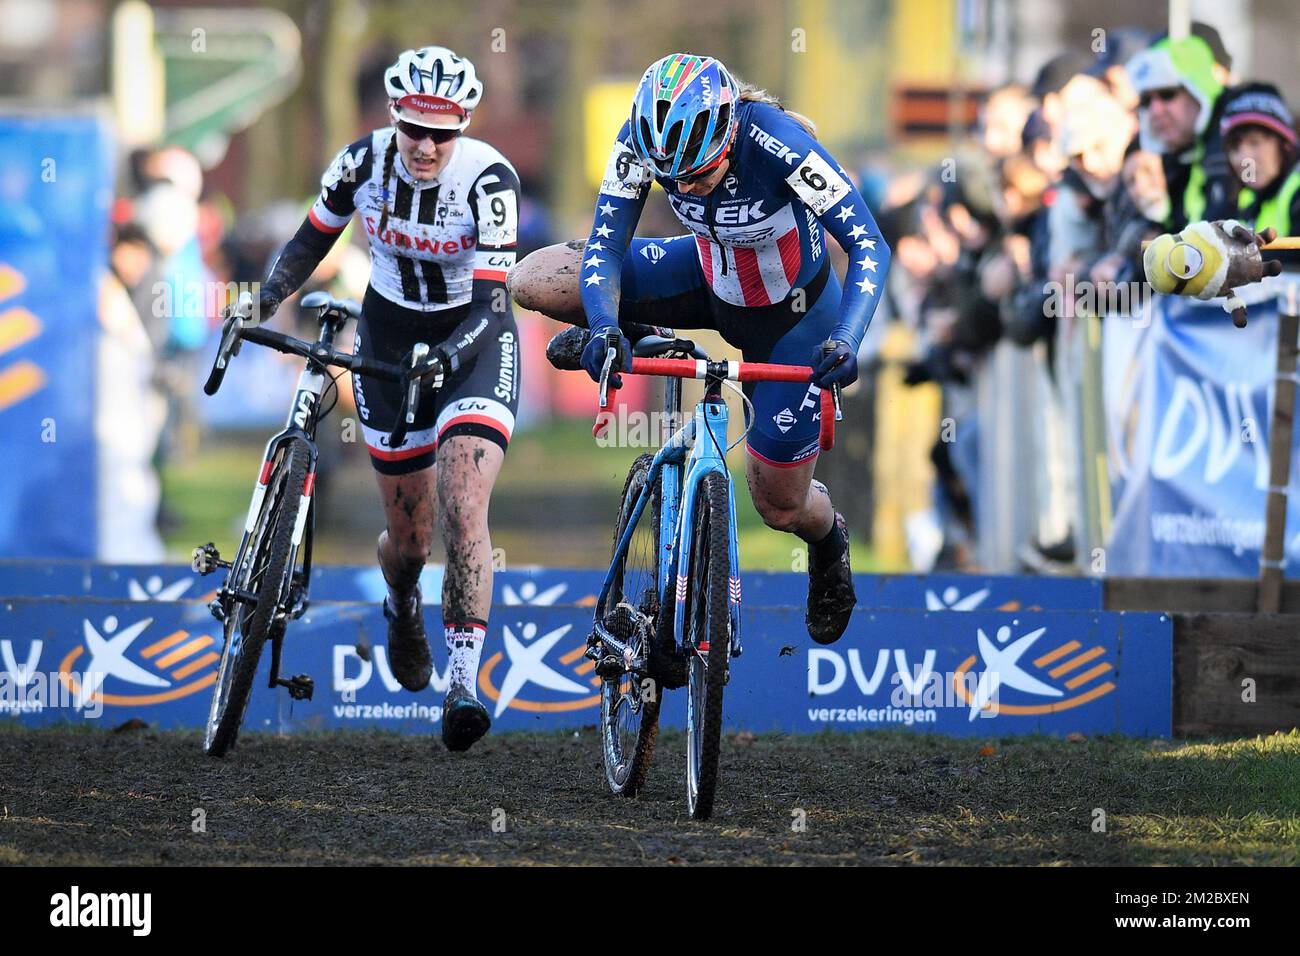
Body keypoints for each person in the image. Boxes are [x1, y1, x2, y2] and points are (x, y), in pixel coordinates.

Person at [509, 53, 891, 644]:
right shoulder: (640, 139)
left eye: (698, 174)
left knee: (780, 507)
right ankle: (639, 338)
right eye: (674, 178)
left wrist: (846, 337)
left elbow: (869, 243)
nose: (684, 188)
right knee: (532, 278)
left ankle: (828, 539)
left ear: (728, 130)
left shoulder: (778, 143)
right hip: (705, 280)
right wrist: (607, 324)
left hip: (794, 321)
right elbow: (607, 248)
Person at [252, 46, 521, 752]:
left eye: (443, 132)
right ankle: (402, 604)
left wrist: (453, 355)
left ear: (462, 128)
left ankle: (463, 683)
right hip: (388, 339)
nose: (427, 146)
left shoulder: (489, 177)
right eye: (414, 128)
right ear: (394, 117)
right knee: (410, 539)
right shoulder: (360, 162)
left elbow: (496, 304)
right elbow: (310, 240)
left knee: (465, 502)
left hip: (473, 342)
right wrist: (264, 297)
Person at [1219, 83, 1300, 235]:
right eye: (1234, 147)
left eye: (1255, 142)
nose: (1243, 158)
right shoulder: (1245, 198)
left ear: (1285, 145)